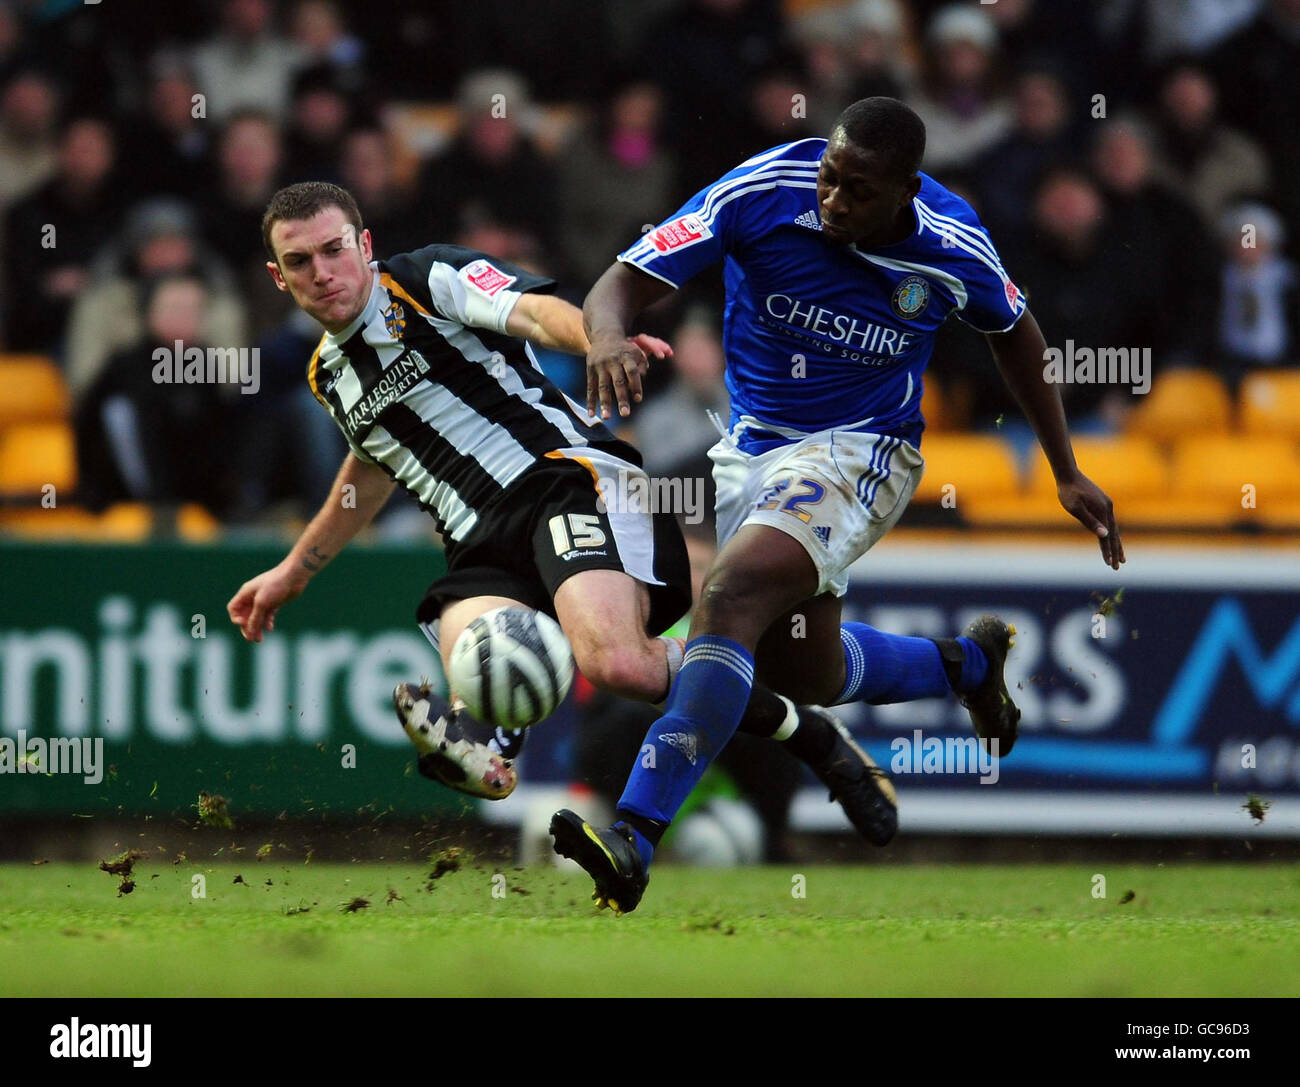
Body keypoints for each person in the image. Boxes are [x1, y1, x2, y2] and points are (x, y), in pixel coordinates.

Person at [554, 97, 1125, 914]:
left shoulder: (952, 243)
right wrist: (606, 335)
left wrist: (1064, 469)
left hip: (864, 448)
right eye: (829, 178)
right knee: (803, 670)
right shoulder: (764, 187)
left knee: (730, 599)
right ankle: (963, 665)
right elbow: (624, 279)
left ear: (905, 192)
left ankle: (635, 836)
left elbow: (1018, 339)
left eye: (858, 191)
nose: (833, 202)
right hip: (751, 447)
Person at [226, 181, 901, 848]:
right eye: (300, 262)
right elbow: (371, 468)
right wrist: (293, 570)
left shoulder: (423, 279)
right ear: (278, 278)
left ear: (364, 244)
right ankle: (489, 726)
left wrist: (599, 339)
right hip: (476, 545)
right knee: (485, 661)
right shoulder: (328, 375)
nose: (322, 271)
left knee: (620, 668)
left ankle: (807, 734)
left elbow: (531, 312)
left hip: (563, 480)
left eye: (333, 249)